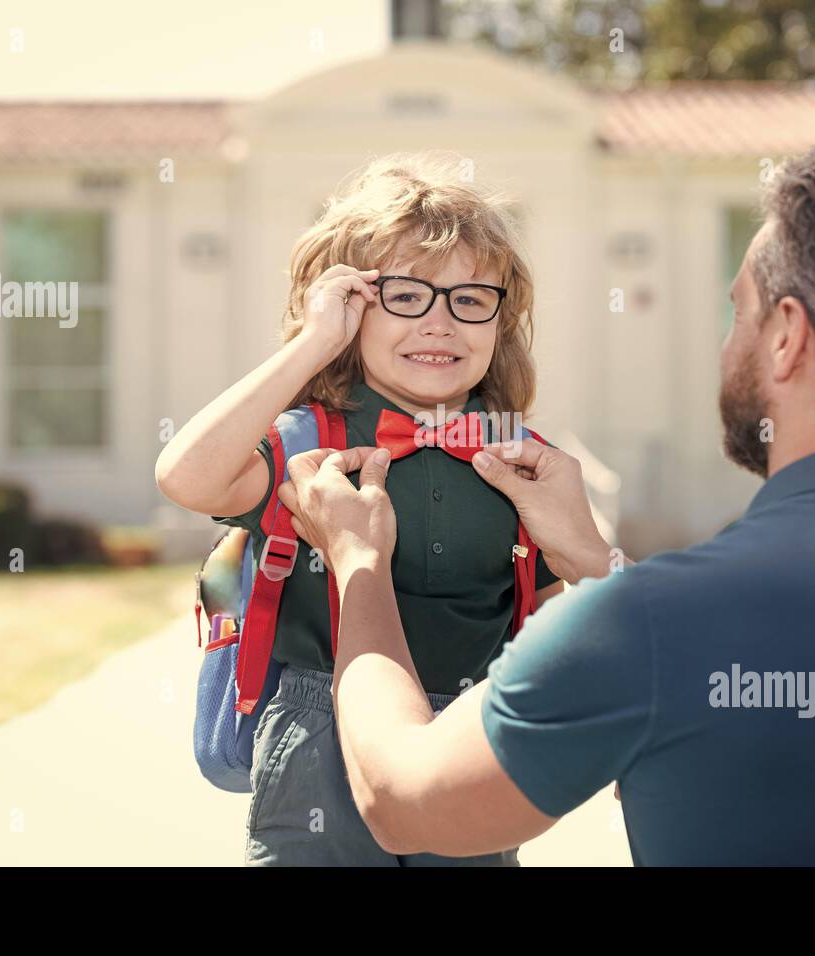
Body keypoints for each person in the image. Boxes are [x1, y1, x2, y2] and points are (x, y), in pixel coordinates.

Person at [278, 140, 815, 865]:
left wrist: (358, 563)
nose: (726, 345)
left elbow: (403, 797)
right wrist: (590, 560)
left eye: (738, 313)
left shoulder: (647, 624)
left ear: (786, 338)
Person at [155, 151, 565, 866]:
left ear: (503, 318)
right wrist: (311, 347)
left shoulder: (524, 458)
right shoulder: (311, 442)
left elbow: (563, 606)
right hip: (321, 738)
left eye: (471, 299)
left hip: (465, 736)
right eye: (407, 295)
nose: (441, 323)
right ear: (351, 307)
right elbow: (187, 476)